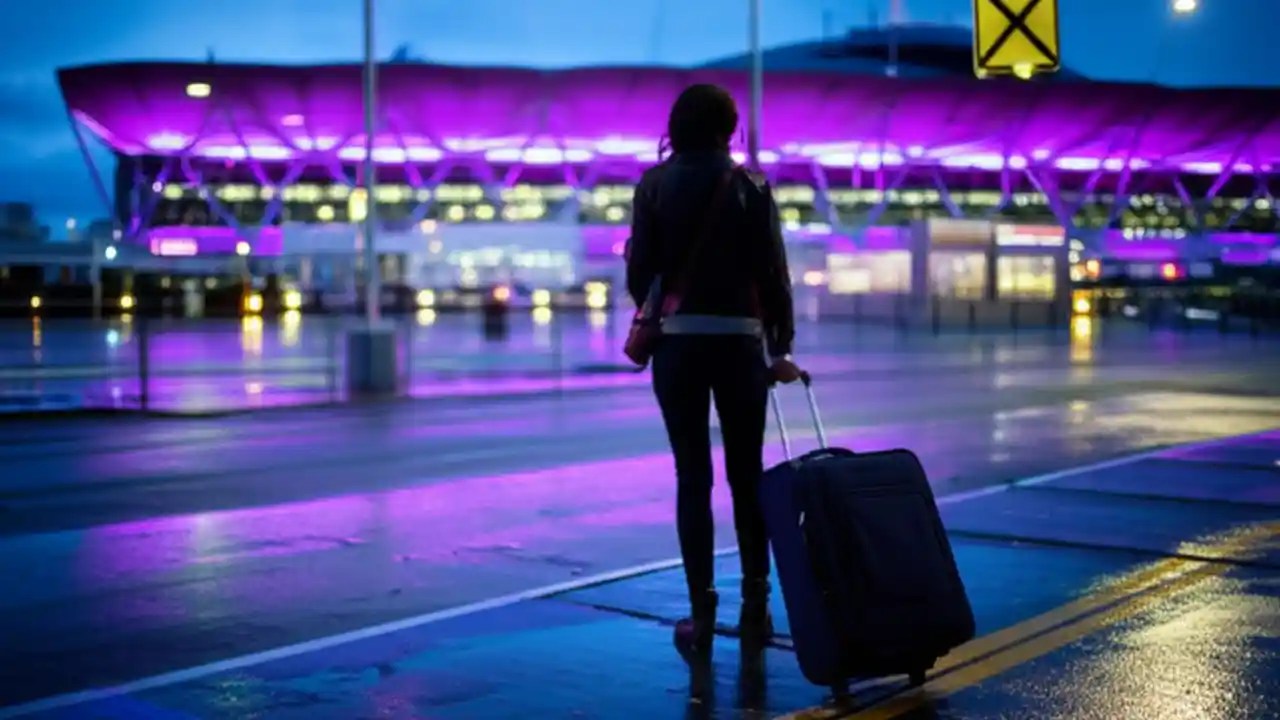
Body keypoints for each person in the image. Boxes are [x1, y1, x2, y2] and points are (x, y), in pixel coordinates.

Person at [626, 83, 801, 659]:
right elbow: (774, 274)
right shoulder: (752, 185)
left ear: (676, 125)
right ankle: (758, 604)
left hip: (677, 347)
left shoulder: (653, 184)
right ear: (731, 128)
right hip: (740, 346)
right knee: (747, 476)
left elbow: (639, 276)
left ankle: (701, 613)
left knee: (691, 476)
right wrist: (779, 349)